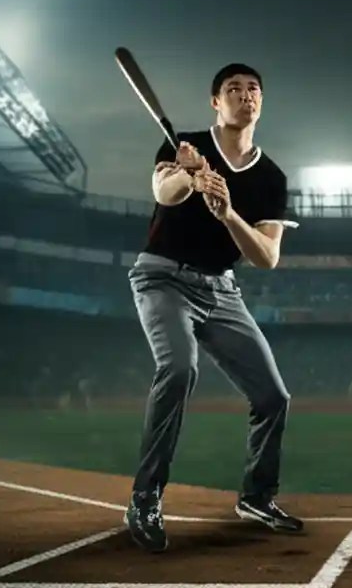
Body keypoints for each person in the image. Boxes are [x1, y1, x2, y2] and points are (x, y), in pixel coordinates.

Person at [124, 63, 303, 553]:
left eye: (253, 90)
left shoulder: (271, 177)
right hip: (163, 276)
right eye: (233, 89)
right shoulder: (182, 145)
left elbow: (265, 257)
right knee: (179, 369)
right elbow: (163, 193)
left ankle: (257, 497)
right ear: (215, 103)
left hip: (222, 291)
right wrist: (187, 172)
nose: (245, 95)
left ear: (260, 103)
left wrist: (228, 214)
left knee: (273, 396)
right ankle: (145, 498)